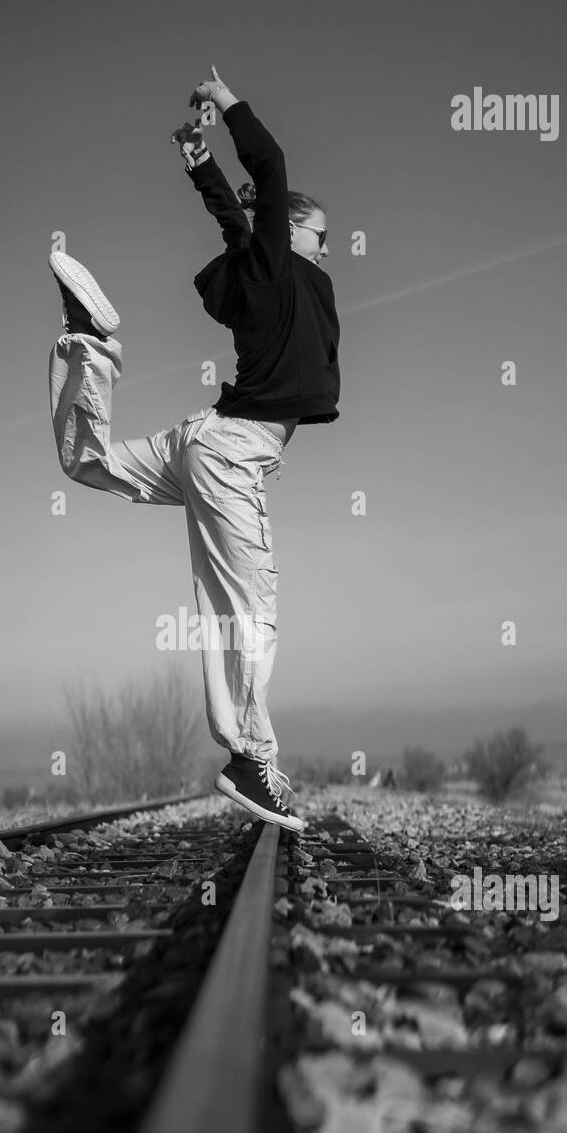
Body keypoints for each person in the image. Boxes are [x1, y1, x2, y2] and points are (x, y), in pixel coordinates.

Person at [47, 66, 340, 833]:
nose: (329, 249)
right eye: (322, 236)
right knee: (253, 608)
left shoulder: (262, 267)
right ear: (292, 231)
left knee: (91, 462)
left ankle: (87, 347)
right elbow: (268, 173)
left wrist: (199, 163)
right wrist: (229, 102)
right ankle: (252, 759)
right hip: (229, 453)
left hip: (199, 443)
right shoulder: (281, 264)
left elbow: (236, 226)